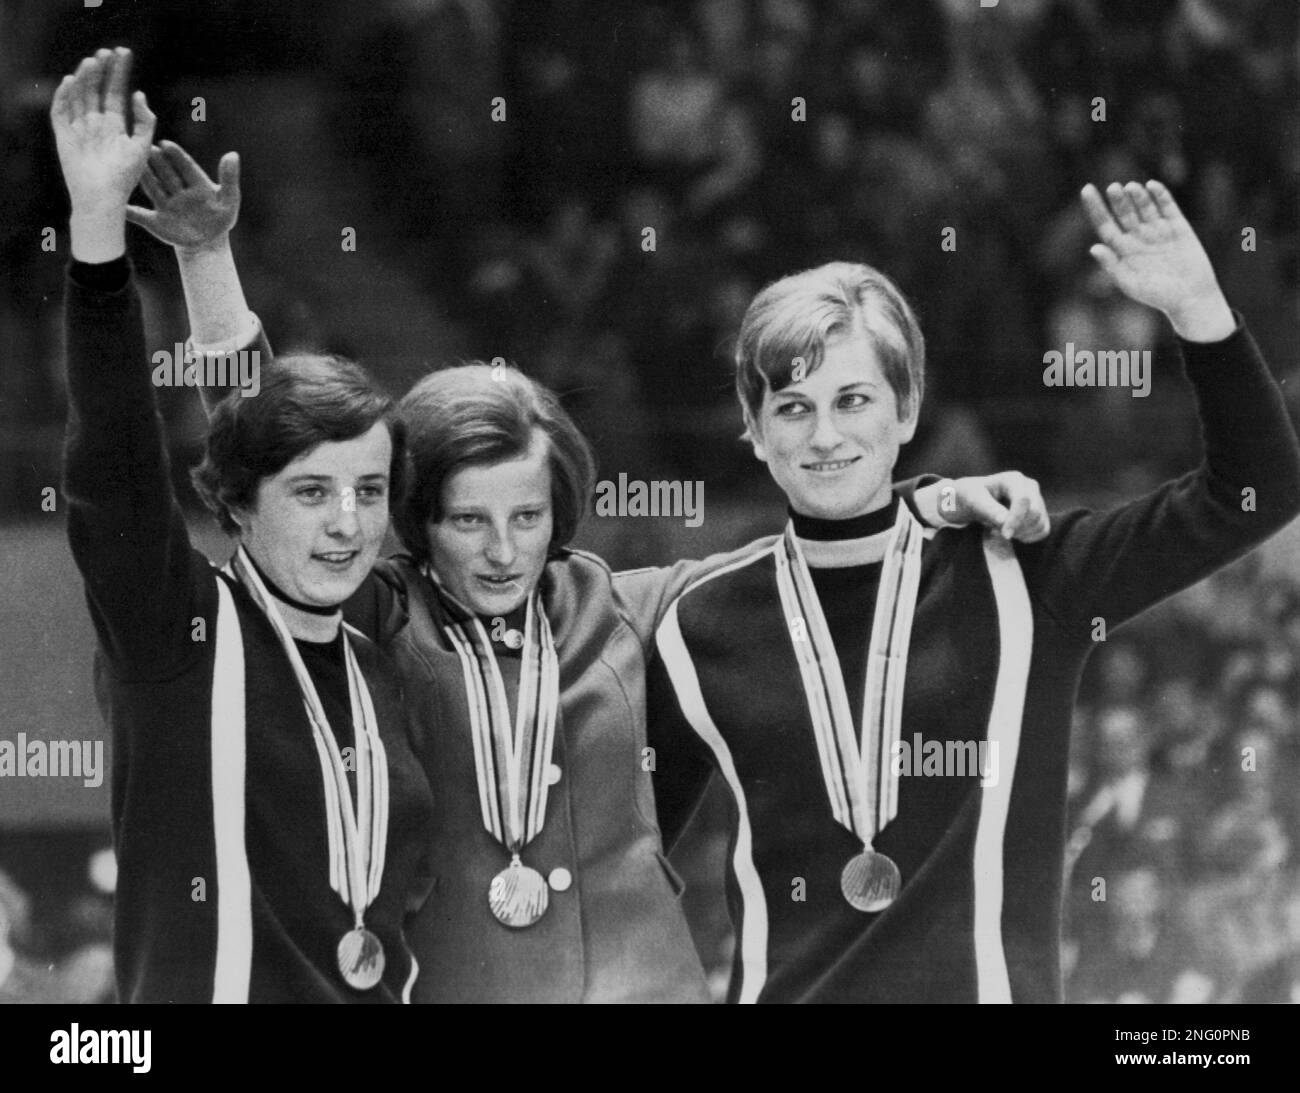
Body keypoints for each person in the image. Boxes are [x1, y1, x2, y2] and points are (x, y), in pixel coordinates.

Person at [125, 139, 1052, 1002]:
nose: (501, 549)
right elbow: (279, 453)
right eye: (465, 519)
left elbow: (820, 544)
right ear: (416, 519)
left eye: (527, 516)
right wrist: (209, 267)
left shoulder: (628, 604)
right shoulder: (379, 611)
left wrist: (932, 497)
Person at [644, 180, 1300, 1002]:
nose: (824, 435)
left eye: (853, 399)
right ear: (754, 426)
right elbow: (625, 862)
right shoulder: (695, 626)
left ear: (908, 406)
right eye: (792, 407)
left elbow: (1258, 491)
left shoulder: (1022, 571)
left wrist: (1201, 313)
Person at [54, 49, 435, 1003]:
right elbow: (112, 457)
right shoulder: (175, 633)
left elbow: (261, 430)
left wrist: (208, 260)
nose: (349, 524)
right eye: (312, 494)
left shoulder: (385, 633)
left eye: (371, 490)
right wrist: (98, 232)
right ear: (236, 502)